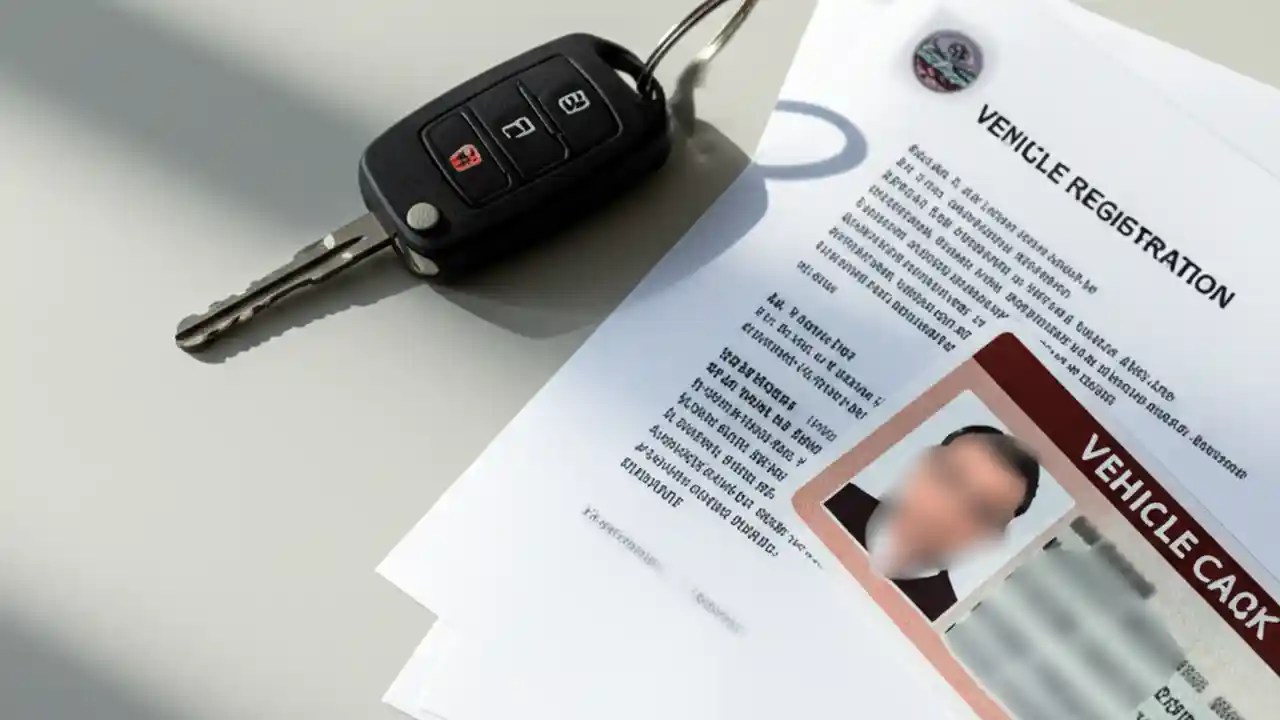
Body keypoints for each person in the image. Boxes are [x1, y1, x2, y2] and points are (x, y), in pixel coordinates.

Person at [824, 425, 1040, 621]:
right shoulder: (829, 494)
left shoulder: (941, 620)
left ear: (992, 537)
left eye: (981, 512)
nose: (947, 512)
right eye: (948, 477)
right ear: (923, 465)